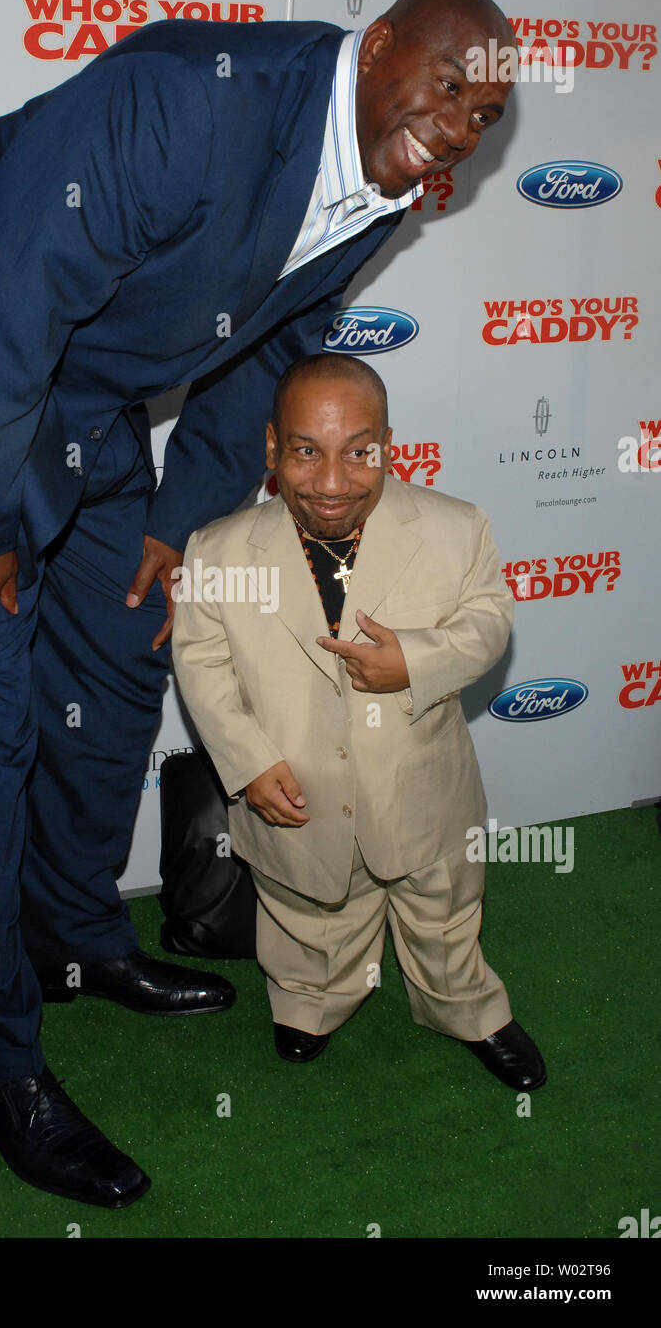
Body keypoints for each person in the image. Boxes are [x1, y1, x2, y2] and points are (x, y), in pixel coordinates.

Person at [0, 0, 518, 1206]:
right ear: (384, 39)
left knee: (128, 638)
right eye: (450, 88)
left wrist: (180, 519)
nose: (458, 130)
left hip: (78, 397)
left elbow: (278, 340)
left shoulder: (388, 173)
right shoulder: (186, 104)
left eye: (488, 115)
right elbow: (6, 292)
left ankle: (75, 939)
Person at [171, 353, 546, 1089]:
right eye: (306, 451)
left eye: (358, 451)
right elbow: (203, 667)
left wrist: (415, 659)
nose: (333, 481)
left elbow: (487, 625)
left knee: (441, 914)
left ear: (386, 445)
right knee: (305, 914)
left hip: (420, 790)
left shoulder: (456, 528)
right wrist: (247, 763)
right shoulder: (216, 551)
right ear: (273, 449)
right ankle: (310, 1003)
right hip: (291, 792)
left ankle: (463, 1007)